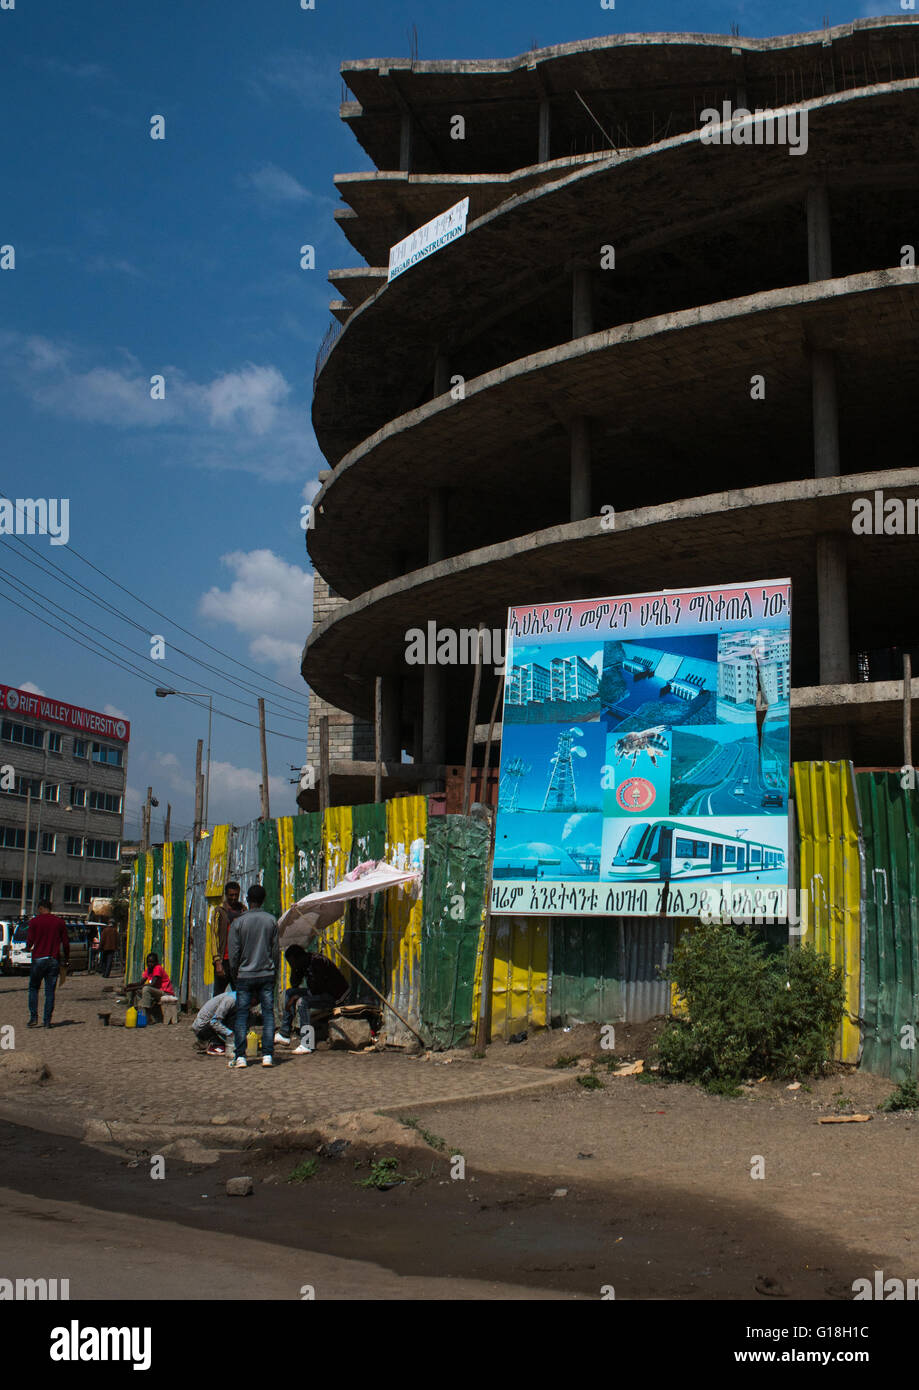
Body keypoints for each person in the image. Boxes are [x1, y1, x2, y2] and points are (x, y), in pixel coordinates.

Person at [227, 883, 278, 1069]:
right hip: (266, 973)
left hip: (244, 975)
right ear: (263, 900)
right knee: (268, 1014)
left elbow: (233, 954)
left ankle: (240, 1056)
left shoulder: (238, 922)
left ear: (248, 899)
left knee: (241, 1014)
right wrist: (274, 972)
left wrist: (235, 973)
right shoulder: (271, 921)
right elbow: (275, 951)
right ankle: (267, 1055)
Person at [275, 945, 348, 1055]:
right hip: (320, 992)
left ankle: (307, 1043)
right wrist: (295, 969)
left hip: (335, 996)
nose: (292, 965)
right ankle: (284, 1033)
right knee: (290, 993)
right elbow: (295, 983)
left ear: (299, 958)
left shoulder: (317, 962)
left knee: (302, 1002)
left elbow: (317, 989)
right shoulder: (303, 964)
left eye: (292, 962)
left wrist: (296, 997)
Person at [26, 898, 69, 1028]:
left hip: (38, 959)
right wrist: (66, 958)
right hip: (53, 960)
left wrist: (28, 947)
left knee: (34, 988)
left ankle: (34, 1018)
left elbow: (30, 942)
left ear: (40, 908)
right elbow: (66, 943)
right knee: (50, 991)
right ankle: (47, 1021)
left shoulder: (34, 922)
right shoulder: (59, 922)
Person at [213, 882, 245, 995]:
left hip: (238, 960)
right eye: (231, 895)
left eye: (236, 895)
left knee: (240, 993)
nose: (234, 898)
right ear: (226, 895)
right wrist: (217, 961)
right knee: (218, 993)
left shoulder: (243, 910)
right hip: (224, 959)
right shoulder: (219, 911)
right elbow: (214, 937)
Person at [191, 986, 237, 1055]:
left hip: (207, 1025)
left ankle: (209, 1041)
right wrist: (230, 1034)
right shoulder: (230, 1000)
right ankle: (215, 1044)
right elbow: (214, 1022)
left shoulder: (235, 997)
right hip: (203, 1027)